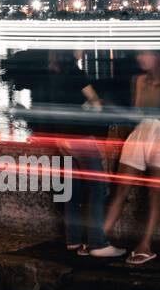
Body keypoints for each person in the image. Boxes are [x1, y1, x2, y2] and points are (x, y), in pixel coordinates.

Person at [102, 51, 160, 265]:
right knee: (120, 190)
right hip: (141, 133)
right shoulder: (138, 80)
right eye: (138, 53)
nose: (139, 57)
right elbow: (138, 112)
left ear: (157, 56)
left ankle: (145, 245)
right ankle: (99, 239)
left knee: (153, 193)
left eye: (144, 53)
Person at [40, 50, 122, 258]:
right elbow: (95, 104)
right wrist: (93, 106)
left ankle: (73, 239)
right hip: (80, 138)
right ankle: (97, 243)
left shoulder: (53, 75)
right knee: (98, 188)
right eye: (78, 46)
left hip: (62, 138)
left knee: (73, 191)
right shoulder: (76, 74)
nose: (82, 50)